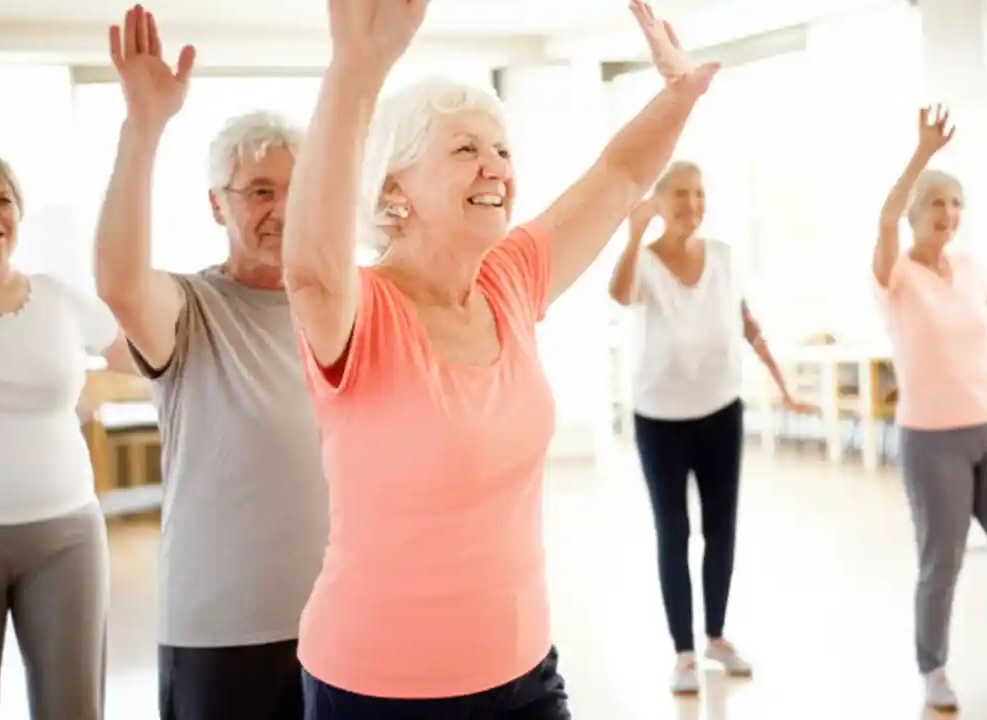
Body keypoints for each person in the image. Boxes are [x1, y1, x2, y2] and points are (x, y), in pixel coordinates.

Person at [280, 0, 717, 716]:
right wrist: (356, 69)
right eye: (465, 150)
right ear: (393, 190)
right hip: (380, 685)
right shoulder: (358, 309)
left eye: (502, 151)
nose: (496, 168)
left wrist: (677, 96)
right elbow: (308, 271)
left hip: (523, 671)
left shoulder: (509, 279)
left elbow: (619, 175)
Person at [93, 7, 328, 719]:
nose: (281, 210)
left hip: (344, 627)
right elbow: (120, 283)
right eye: (259, 191)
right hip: (223, 635)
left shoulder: (343, 306)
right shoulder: (191, 309)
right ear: (216, 206)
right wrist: (143, 127)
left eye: (296, 190)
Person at [607, 160, 808, 694]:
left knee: (722, 528)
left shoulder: (723, 256)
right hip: (660, 418)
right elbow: (620, 295)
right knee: (673, 531)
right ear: (659, 201)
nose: (691, 204)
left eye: (698, 193)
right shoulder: (644, 261)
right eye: (680, 193)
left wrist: (783, 385)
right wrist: (633, 236)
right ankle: (684, 653)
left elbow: (746, 322)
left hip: (721, 409)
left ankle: (716, 636)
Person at [0, 145, 132, 720]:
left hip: (67, 535)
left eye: (2, 199)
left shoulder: (57, 298)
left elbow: (142, 357)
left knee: (75, 707)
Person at [871, 106, 987, 710]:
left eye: (956, 203)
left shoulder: (970, 268)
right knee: (942, 562)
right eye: (937, 203)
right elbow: (883, 219)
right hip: (933, 438)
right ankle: (933, 667)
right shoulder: (894, 276)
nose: (949, 213)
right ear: (915, 214)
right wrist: (922, 155)